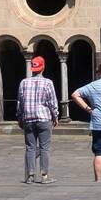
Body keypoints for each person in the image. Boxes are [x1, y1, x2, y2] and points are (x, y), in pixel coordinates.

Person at [16, 55, 59, 184]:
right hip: (44, 118)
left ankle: (30, 175)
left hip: (28, 118)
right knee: (44, 147)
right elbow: (52, 101)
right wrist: (55, 116)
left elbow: (20, 102)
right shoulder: (48, 82)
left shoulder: (23, 82)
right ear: (43, 67)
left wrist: (19, 117)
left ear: (32, 68)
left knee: (30, 147)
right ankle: (44, 176)